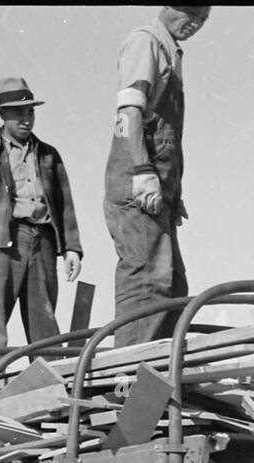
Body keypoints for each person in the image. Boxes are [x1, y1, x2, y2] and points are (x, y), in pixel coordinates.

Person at [103, 7, 211, 347]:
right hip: (138, 180)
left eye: (203, 19)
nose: (195, 25)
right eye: (191, 13)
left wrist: (172, 194)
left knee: (173, 286)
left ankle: (160, 380)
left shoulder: (170, 52)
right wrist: (143, 171)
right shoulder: (145, 43)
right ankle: (131, 378)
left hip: (160, 189)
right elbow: (130, 112)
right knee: (147, 283)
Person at [0, 78, 83, 367]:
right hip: (1, 244)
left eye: (30, 112)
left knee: (44, 323)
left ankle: (49, 389)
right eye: (18, 113)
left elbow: (64, 204)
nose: (26, 119)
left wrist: (72, 248)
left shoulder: (49, 155)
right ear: (3, 115)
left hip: (42, 241)